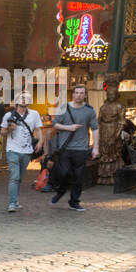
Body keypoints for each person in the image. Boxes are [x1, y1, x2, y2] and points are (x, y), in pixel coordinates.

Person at [49, 83, 99, 211]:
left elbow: (95, 129)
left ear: (85, 95)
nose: (79, 95)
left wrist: (95, 147)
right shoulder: (63, 108)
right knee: (63, 173)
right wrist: (68, 128)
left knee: (79, 176)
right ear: (73, 94)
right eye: (77, 93)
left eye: (82, 93)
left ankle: (74, 201)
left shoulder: (90, 110)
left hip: (81, 148)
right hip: (65, 148)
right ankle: (61, 191)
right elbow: (55, 124)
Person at [0, 91, 42, 212]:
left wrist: (40, 142)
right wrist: (9, 129)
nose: (24, 100)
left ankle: (15, 200)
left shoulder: (34, 114)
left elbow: (38, 129)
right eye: (22, 98)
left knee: (19, 178)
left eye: (27, 98)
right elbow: (2, 132)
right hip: (12, 150)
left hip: (27, 151)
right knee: (15, 176)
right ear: (17, 101)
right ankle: (12, 203)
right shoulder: (9, 115)